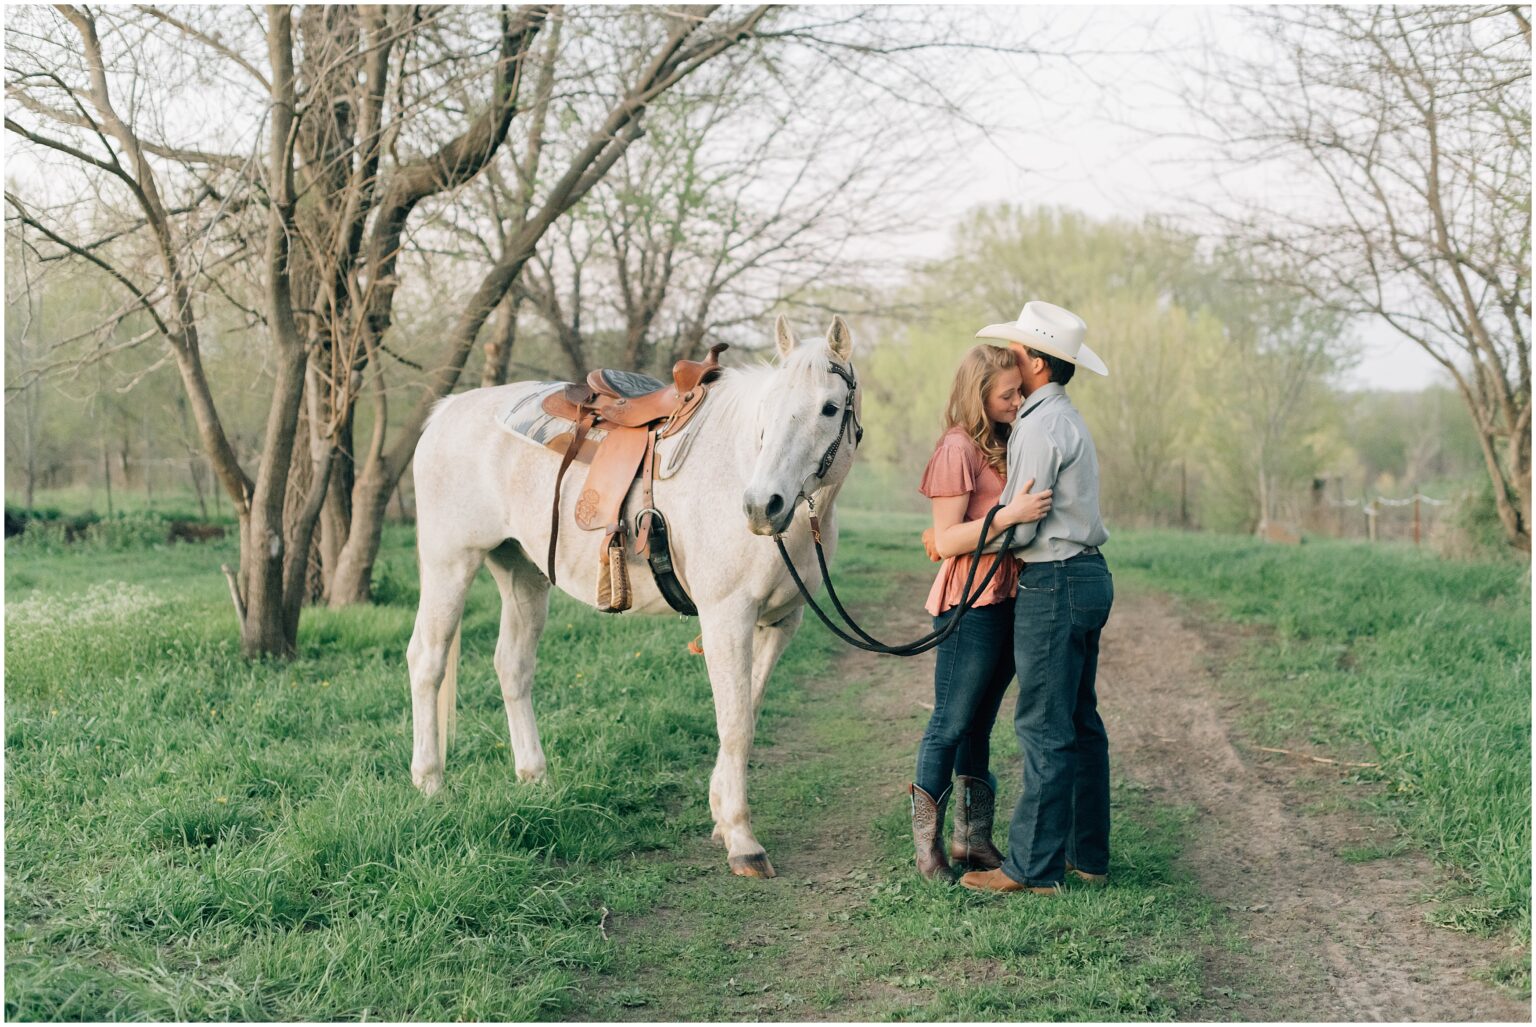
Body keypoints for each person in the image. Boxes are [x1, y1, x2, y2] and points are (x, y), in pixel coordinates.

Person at [957, 300, 1114, 896]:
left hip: (1055, 580)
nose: (1011, 361)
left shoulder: (1039, 426)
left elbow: (1021, 527)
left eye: (1019, 353)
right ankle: (1087, 855)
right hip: (1088, 574)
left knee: (1043, 725)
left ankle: (1032, 868)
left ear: (1039, 365)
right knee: (1078, 722)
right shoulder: (1066, 418)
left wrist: (974, 533)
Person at [910, 343, 1053, 881]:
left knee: (979, 724)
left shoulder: (1008, 440)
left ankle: (973, 841)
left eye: (1020, 390)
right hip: (968, 602)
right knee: (949, 722)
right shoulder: (957, 448)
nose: (1019, 400)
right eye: (1008, 393)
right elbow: (945, 540)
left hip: (1011, 595)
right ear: (979, 395)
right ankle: (928, 851)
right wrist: (1007, 515)